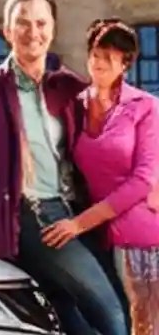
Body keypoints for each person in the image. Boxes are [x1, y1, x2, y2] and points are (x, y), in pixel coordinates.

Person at [0, 0, 127, 335]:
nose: (32, 32)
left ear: (52, 28)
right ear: (7, 31)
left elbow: (111, 143)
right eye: (22, 23)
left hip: (80, 218)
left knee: (72, 322)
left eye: (40, 22)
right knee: (111, 312)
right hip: (32, 215)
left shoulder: (70, 88)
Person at [43, 19, 159, 335]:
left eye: (111, 56)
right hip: (99, 237)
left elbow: (142, 180)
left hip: (143, 238)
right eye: (96, 53)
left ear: (125, 64)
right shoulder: (76, 105)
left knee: (144, 328)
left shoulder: (146, 107)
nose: (100, 62)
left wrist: (79, 224)